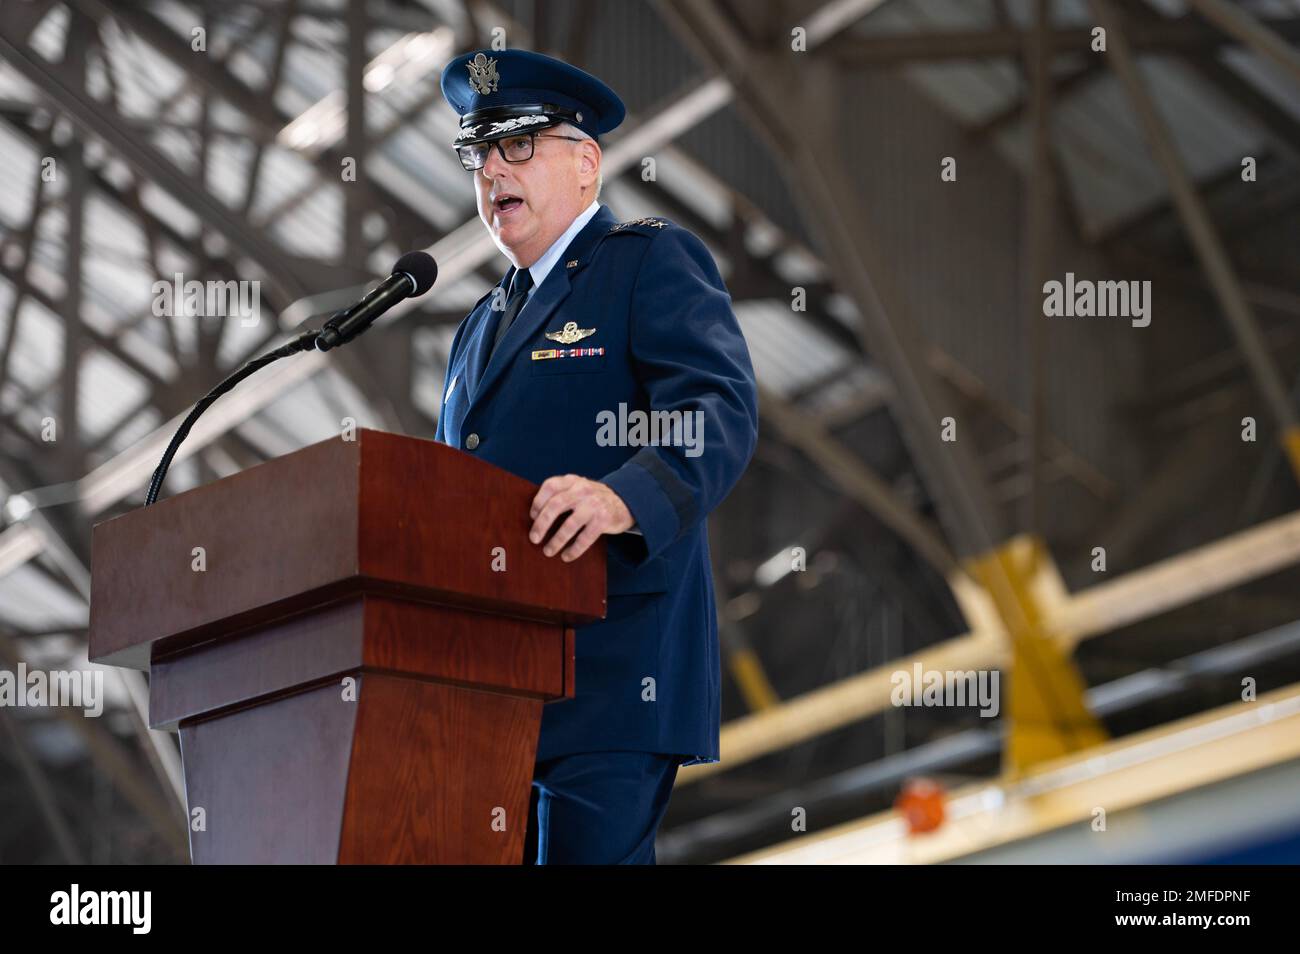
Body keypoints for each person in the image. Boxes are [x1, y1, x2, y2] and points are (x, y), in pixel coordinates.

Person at [436, 48, 758, 864]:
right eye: (478, 153)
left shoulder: (647, 261)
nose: (491, 173)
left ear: (586, 164)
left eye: (517, 145)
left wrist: (623, 497)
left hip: (612, 667)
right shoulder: (477, 326)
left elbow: (718, 411)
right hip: (493, 690)